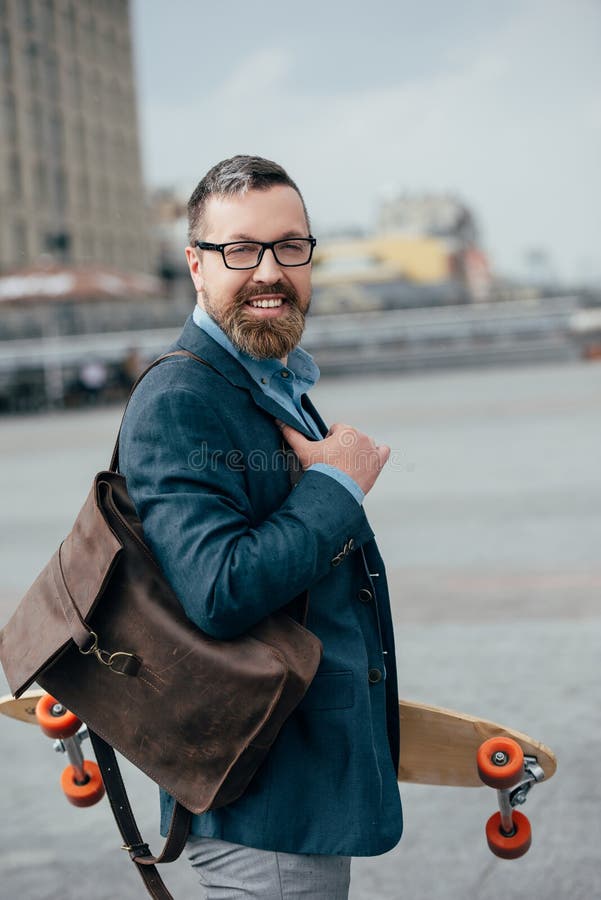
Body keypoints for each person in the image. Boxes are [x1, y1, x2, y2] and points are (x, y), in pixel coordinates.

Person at [119, 155, 403, 899]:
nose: (270, 271)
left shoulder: (267, 379)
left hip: (297, 782)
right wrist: (338, 484)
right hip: (260, 804)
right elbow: (219, 588)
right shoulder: (182, 396)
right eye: (239, 249)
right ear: (196, 266)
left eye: (290, 246)